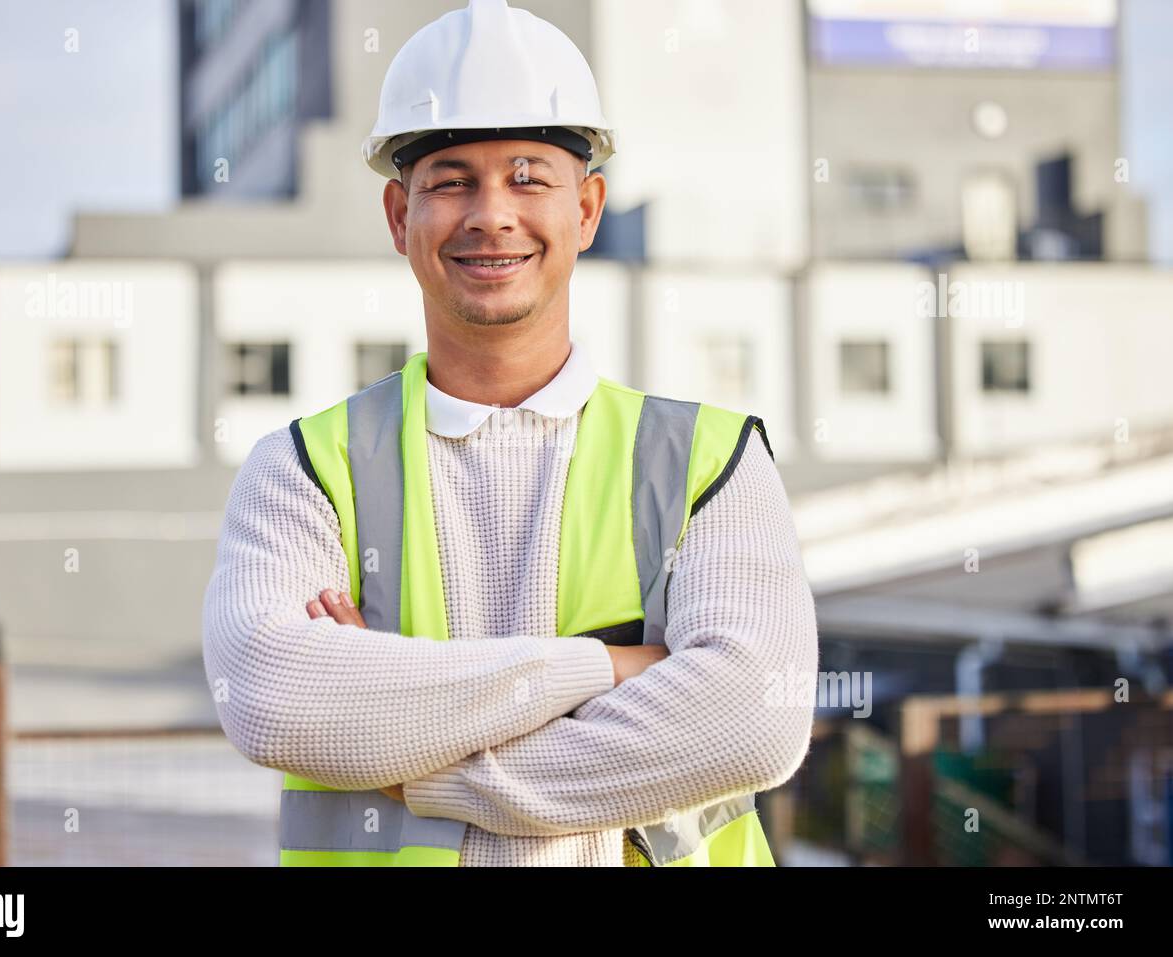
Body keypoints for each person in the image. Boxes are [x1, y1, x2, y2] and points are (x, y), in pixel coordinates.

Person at [202, 0, 819, 867]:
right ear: (397, 215)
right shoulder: (304, 471)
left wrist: (413, 752)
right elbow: (272, 697)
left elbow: (753, 718)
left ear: (589, 209)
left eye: (529, 176)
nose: (492, 214)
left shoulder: (710, 464)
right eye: (451, 179)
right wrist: (613, 670)